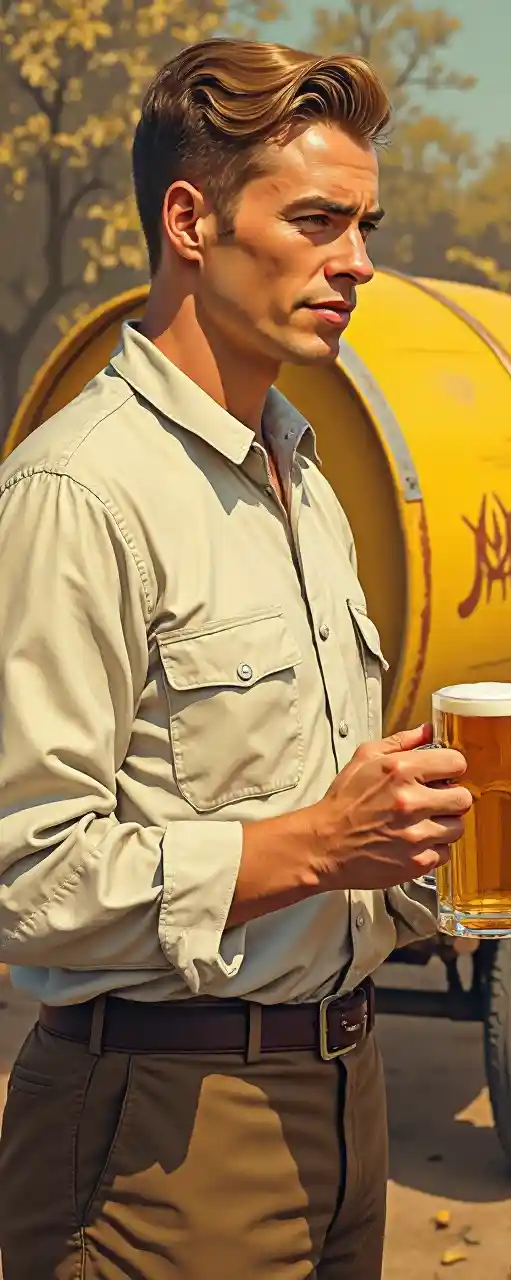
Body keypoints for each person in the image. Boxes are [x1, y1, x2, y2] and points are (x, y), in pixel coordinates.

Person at [0, 37, 472, 1280]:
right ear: (191, 219)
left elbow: (297, 805)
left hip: (344, 1094)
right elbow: (23, 872)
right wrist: (317, 841)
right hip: (164, 1131)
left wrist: (411, 851)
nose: (358, 262)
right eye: (318, 219)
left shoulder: (303, 479)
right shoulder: (77, 491)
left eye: (365, 223)